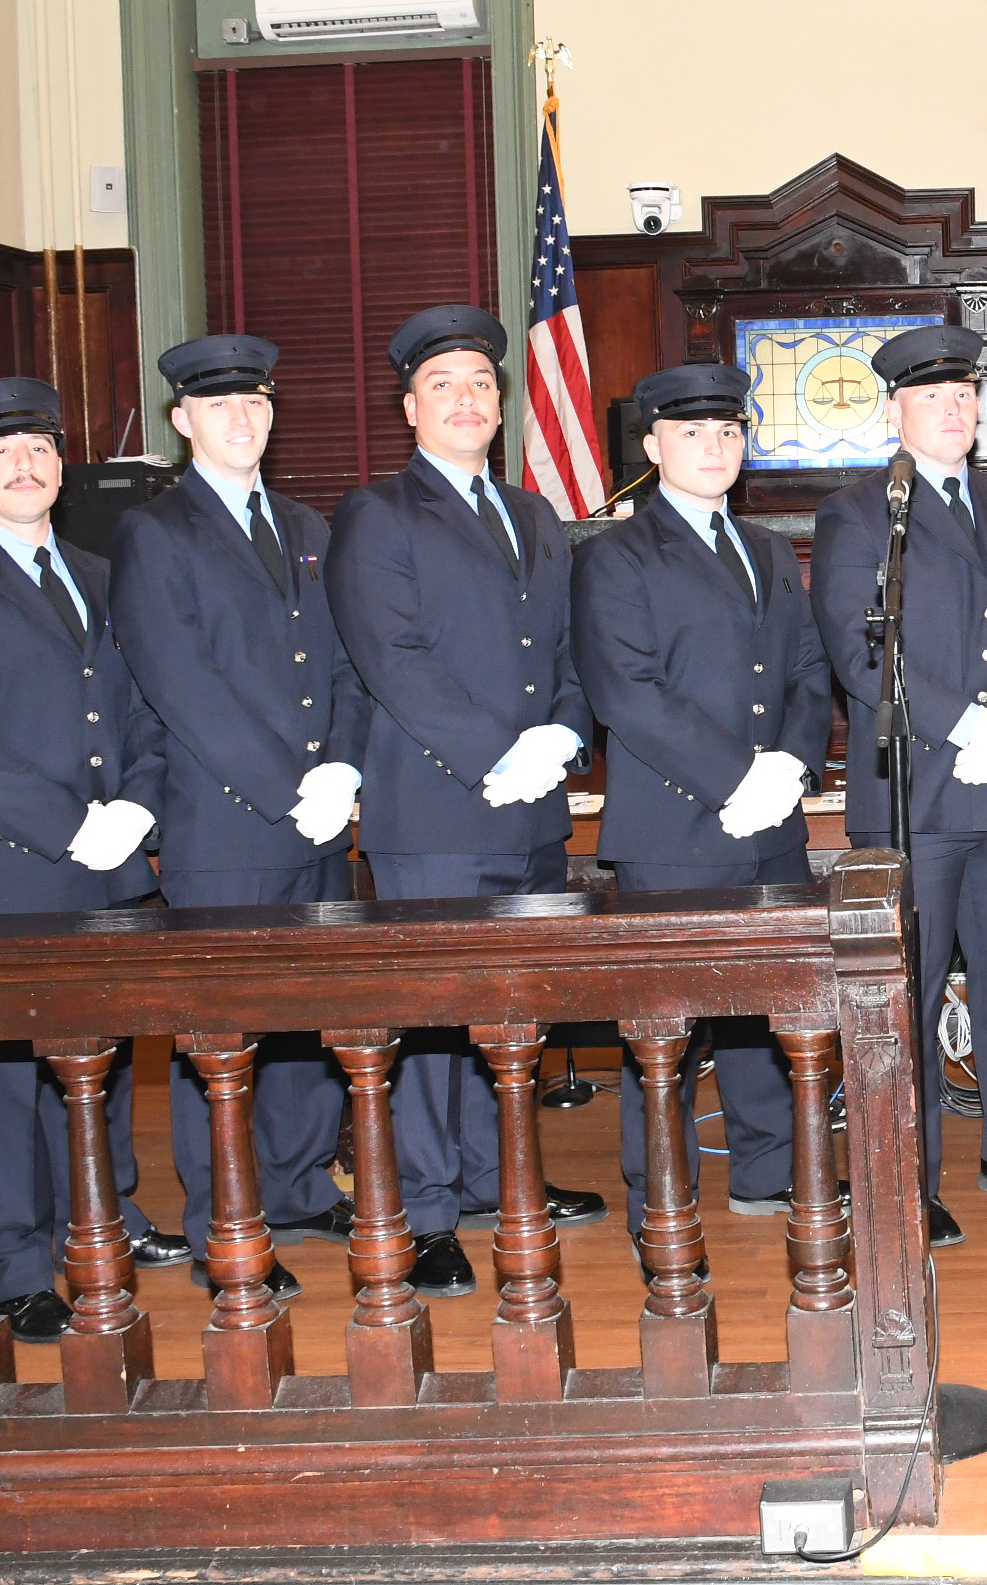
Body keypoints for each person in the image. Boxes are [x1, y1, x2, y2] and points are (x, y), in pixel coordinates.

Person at [0, 377, 187, 1342]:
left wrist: (135, 804)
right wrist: (68, 824)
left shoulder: (104, 573)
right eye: (1, 452)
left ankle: (107, 1219)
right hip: (7, 873)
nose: (26, 464)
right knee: (8, 1078)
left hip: (115, 867)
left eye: (41, 448)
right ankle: (13, 1260)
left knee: (97, 1059)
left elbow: (145, 706)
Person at [325, 304, 607, 1299]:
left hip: (530, 809)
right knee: (437, 1023)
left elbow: (569, 649)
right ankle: (431, 1211)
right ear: (410, 408)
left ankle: (497, 1179)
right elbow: (393, 659)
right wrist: (500, 755)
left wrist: (565, 736)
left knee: (511, 1013)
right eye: (445, 385)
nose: (468, 399)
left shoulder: (532, 514)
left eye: (482, 385)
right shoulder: (378, 513)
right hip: (439, 806)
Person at [809, 323, 987, 1247]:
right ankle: (908, 1177)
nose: (955, 410)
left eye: (965, 395)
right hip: (918, 794)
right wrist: (965, 721)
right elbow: (862, 647)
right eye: (934, 398)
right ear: (895, 412)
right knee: (911, 994)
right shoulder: (859, 513)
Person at [111, 334, 362, 1298]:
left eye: (255, 404)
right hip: (225, 819)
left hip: (317, 813)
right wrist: (283, 787)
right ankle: (225, 1221)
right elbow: (179, 679)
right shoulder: (156, 531)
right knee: (220, 1030)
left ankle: (297, 1186)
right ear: (182, 421)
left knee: (305, 1022)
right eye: (220, 408)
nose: (242, 420)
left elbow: (343, 662)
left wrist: (340, 767)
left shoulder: (306, 522)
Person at [572, 362, 831, 1252]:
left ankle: (766, 1169)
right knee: (665, 1021)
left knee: (770, 1008)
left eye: (729, 433)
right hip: (676, 825)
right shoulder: (614, 553)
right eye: (692, 434)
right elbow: (626, 692)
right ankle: (662, 1188)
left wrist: (788, 768)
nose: (714, 449)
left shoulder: (764, 549)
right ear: (652, 447)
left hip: (772, 821)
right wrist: (736, 779)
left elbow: (806, 671)